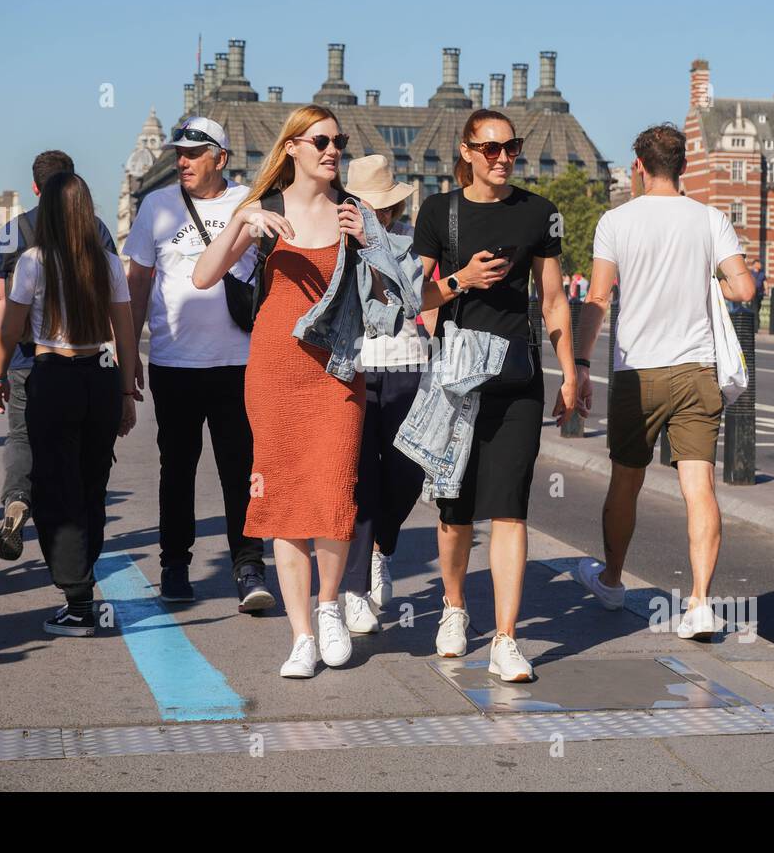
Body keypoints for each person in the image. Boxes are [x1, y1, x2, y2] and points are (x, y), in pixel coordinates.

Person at [193, 104, 418, 679]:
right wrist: (243, 226)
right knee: (286, 498)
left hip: (337, 371)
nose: (331, 149)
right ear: (291, 147)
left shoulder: (355, 211)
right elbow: (203, 276)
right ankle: (300, 637)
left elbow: (398, 296)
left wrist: (369, 243)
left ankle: (329, 606)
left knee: (335, 488)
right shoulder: (263, 209)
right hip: (274, 370)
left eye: (337, 140)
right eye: (319, 140)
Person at [412, 109, 580, 682]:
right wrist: (462, 280)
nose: (503, 157)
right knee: (455, 510)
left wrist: (570, 372)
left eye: (511, 147)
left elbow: (553, 299)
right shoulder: (438, 211)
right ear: (466, 152)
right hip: (457, 383)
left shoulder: (540, 213)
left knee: (510, 506)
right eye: (490, 149)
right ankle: (454, 606)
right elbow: (417, 299)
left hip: (518, 382)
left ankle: (506, 638)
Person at [572, 124, 754, 639]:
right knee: (700, 488)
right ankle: (699, 603)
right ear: (684, 167)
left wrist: (581, 364)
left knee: (626, 482)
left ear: (637, 166)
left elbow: (599, 298)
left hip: (638, 373)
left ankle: (610, 581)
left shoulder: (616, 221)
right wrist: (707, 275)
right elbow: (743, 287)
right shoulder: (710, 218)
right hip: (697, 370)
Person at [124, 116, 273, 611]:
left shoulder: (251, 202)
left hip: (239, 363)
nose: (182, 160)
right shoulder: (157, 205)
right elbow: (138, 284)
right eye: (179, 153)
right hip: (174, 363)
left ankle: (249, 567)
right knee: (177, 469)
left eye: (193, 152)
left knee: (241, 469)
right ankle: (174, 565)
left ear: (221, 158)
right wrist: (128, 358)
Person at [0, 172, 138, 637]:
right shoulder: (108, 262)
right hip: (100, 378)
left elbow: (11, 330)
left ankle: (77, 601)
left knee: (56, 491)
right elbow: (125, 331)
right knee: (93, 487)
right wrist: (127, 389)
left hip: (52, 378)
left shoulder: (33, 261)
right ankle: (82, 583)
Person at [0, 150, 119, 561]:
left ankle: (17, 498)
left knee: (23, 435)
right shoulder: (95, 228)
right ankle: (78, 546)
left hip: (30, 357)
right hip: (89, 358)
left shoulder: (13, 230)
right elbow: (115, 303)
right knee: (81, 449)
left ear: (35, 187)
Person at [341, 154, 432, 634]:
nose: (379, 215)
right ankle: (354, 588)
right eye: (368, 208)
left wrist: (373, 242)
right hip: (354, 369)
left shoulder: (406, 242)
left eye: (383, 208)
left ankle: (385, 548)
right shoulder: (337, 245)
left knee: (406, 474)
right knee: (361, 480)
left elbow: (409, 298)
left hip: (405, 364)